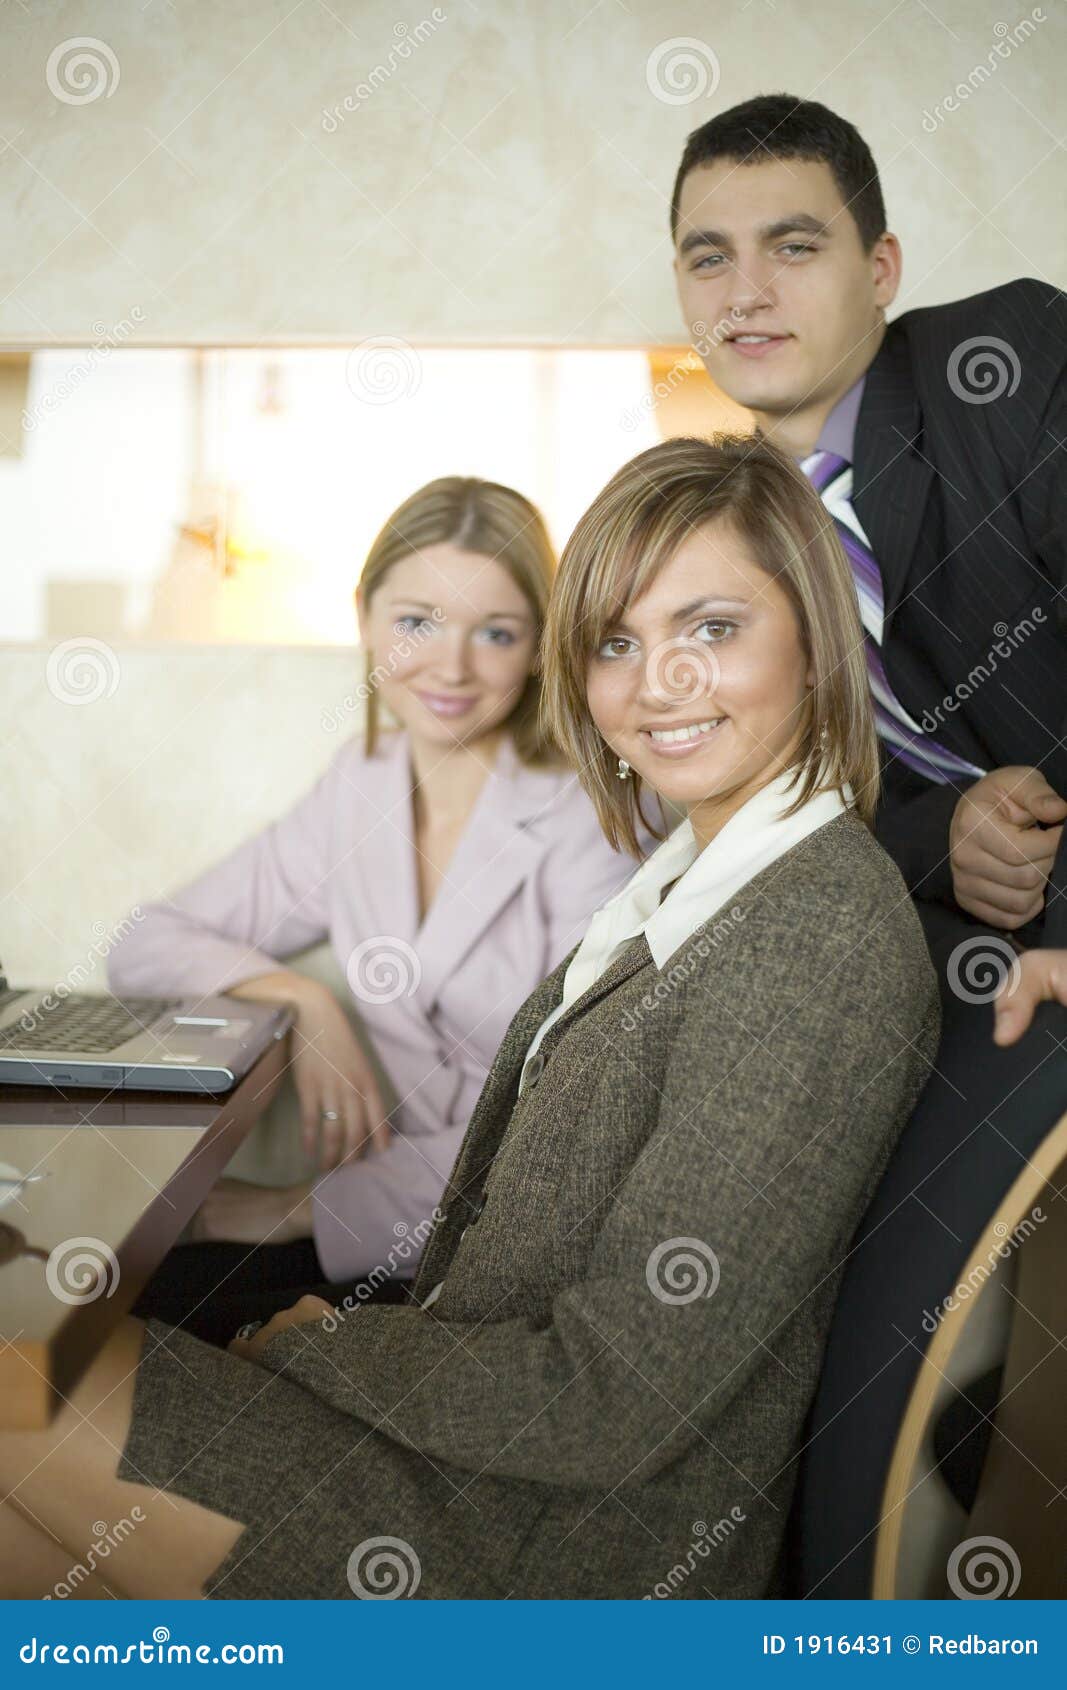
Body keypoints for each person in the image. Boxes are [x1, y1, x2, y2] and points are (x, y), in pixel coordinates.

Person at [1, 436, 938, 1600]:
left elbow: (623, 1395)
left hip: (552, 1545)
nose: (656, 684)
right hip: (465, 1438)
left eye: (710, 628)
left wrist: (329, 1345)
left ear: (812, 633)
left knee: (16, 1373)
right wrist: (297, 1008)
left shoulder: (810, 929)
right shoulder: (699, 882)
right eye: (616, 642)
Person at [668, 92, 1067, 1594]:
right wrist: (937, 829)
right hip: (929, 947)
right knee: (732, 1246)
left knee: (875, 1342)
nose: (745, 292)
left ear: (880, 267)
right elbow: (789, 790)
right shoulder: (738, 522)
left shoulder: (1008, 370)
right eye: (707, 259)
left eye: (790, 245)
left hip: (1042, 968)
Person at [107, 476, 659, 1345]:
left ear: (539, 645)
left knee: (155, 1326)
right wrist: (302, 1002)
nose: (451, 666)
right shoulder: (358, 789)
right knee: (112, 1298)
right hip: (387, 1235)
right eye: (416, 622)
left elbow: (567, 1130)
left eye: (496, 632)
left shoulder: (594, 814)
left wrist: (296, 1210)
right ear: (364, 617)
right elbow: (142, 945)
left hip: (516, 1253)